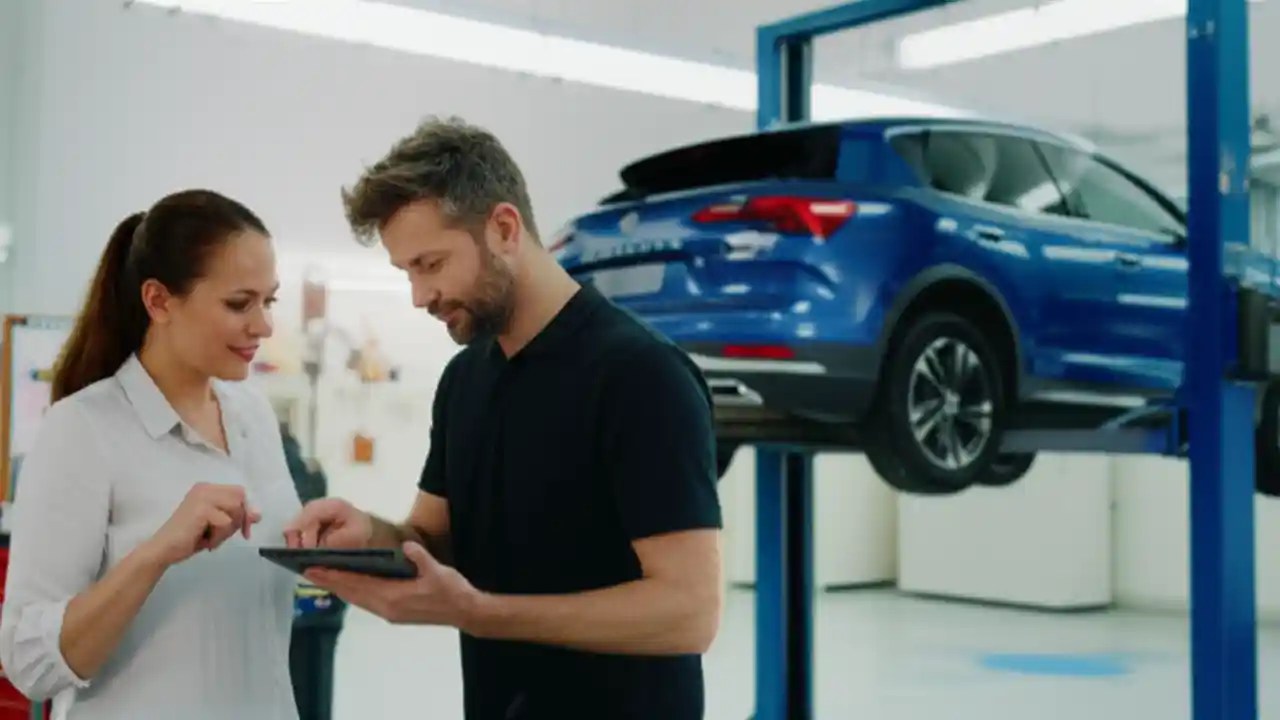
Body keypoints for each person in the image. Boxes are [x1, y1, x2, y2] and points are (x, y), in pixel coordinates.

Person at [284, 116, 725, 719]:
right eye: (408, 272)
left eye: (431, 264)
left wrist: (478, 613)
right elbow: (432, 541)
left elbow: (688, 613)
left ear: (503, 228)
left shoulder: (642, 376)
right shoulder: (465, 379)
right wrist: (370, 536)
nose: (420, 296)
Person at [0, 190, 303, 720]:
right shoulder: (82, 431)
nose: (264, 326)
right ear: (159, 301)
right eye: (239, 303)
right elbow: (28, 663)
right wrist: (156, 551)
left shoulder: (254, 417)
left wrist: (324, 546)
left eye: (268, 301)